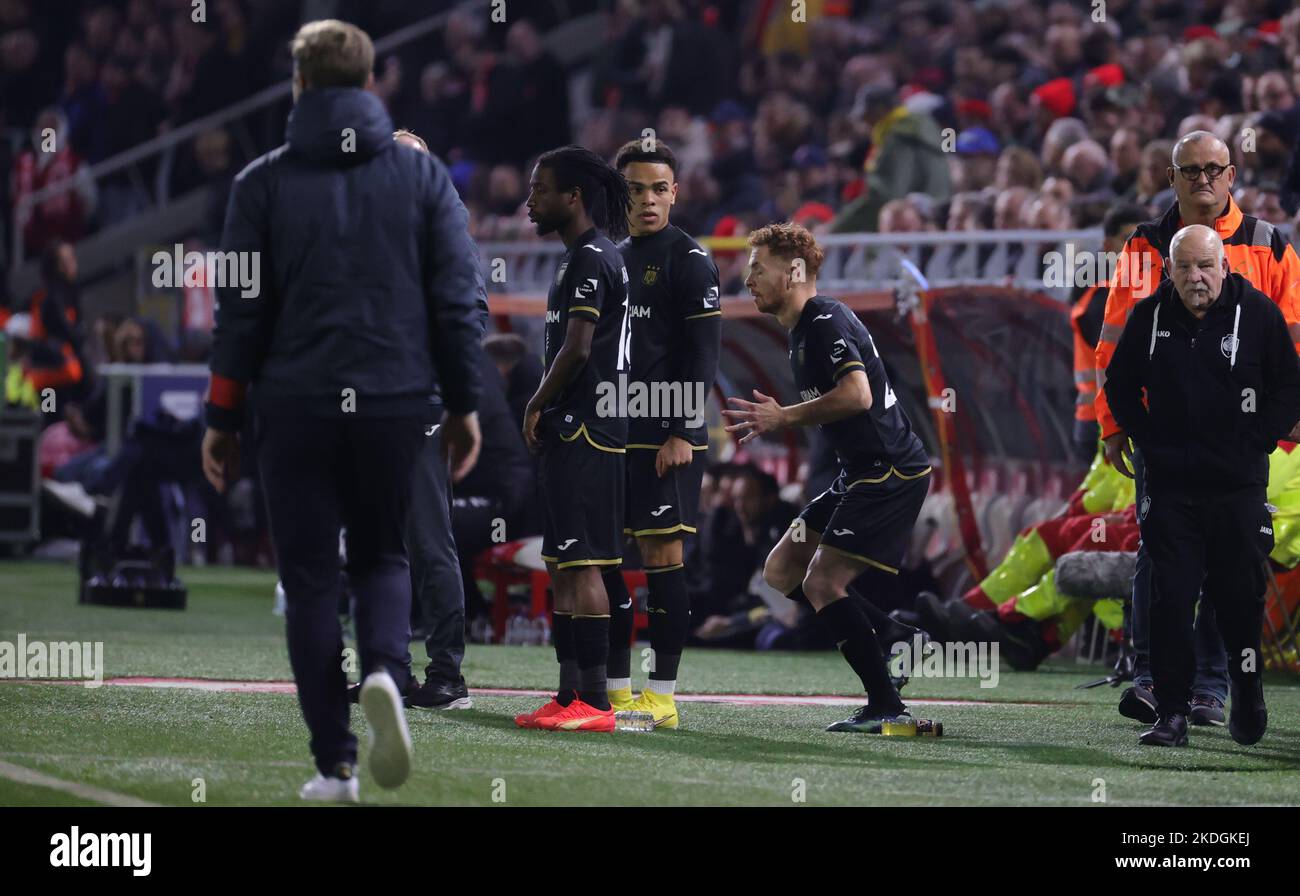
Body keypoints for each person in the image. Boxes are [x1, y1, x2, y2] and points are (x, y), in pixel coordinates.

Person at [200, 20, 484, 801]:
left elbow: (240, 316)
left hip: (295, 407)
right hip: (398, 403)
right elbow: (457, 304)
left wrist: (220, 418)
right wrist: (464, 404)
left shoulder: (259, 182)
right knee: (384, 556)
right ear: (371, 83)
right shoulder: (422, 179)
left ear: (298, 83)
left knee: (311, 579)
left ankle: (337, 763)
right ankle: (390, 672)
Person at [1094, 130, 1300, 728]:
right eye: (1190, 170)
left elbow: (1291, 354)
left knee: (1229, 569)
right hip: (1166, 441)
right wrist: (1115, 427)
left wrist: (1272, 434)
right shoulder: (1143, 247)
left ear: (1232, 175)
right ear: (1171, 176)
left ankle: (1213, 687)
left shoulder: (1269, 246)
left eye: (1214, 169)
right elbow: (1116, 347)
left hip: (1247, 447)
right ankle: (1159, 684)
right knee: (1161, 562)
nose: (1202, 179)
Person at [723, 222, 932, 733]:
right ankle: (894, 636)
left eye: (757, 268)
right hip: (857, 474)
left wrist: (784, 417)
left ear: (794, 271)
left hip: (888, 471)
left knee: (821, 580)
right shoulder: (804, 327)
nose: (748, 279)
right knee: (781, 570)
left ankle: (886, 704)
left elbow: (858, 395)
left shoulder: (822, 319)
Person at [513, 145, 632, 733]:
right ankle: (567, 696)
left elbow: (578, 348)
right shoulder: (576, 257)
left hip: (588, 429)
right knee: (562, 564)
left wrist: (536, 401)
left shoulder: (591, 257)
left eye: (539, 189)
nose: (530, 200)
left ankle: (597, 703)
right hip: (572, 428)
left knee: (584, 566)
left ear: (573, 197)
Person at [605, 138, 721, 729]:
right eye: (634, 189)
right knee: (603, 561)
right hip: (613, 431)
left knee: (661, 563)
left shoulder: (690, 259)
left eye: (658, 188)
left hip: (666, 436)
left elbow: (704, 357)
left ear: (675, 192)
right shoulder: (610, 256)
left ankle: (664, 695)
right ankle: (616, 691)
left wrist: (680, 431)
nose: (647, 200)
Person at [1068, 204, 1147, 461]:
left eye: (1142, 239)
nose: (1137, 247)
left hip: (1112, 418)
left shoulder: (1137, 294)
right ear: (1107, 245)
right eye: (1127, 239)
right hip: (1101, 423)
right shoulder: (1101, 300)